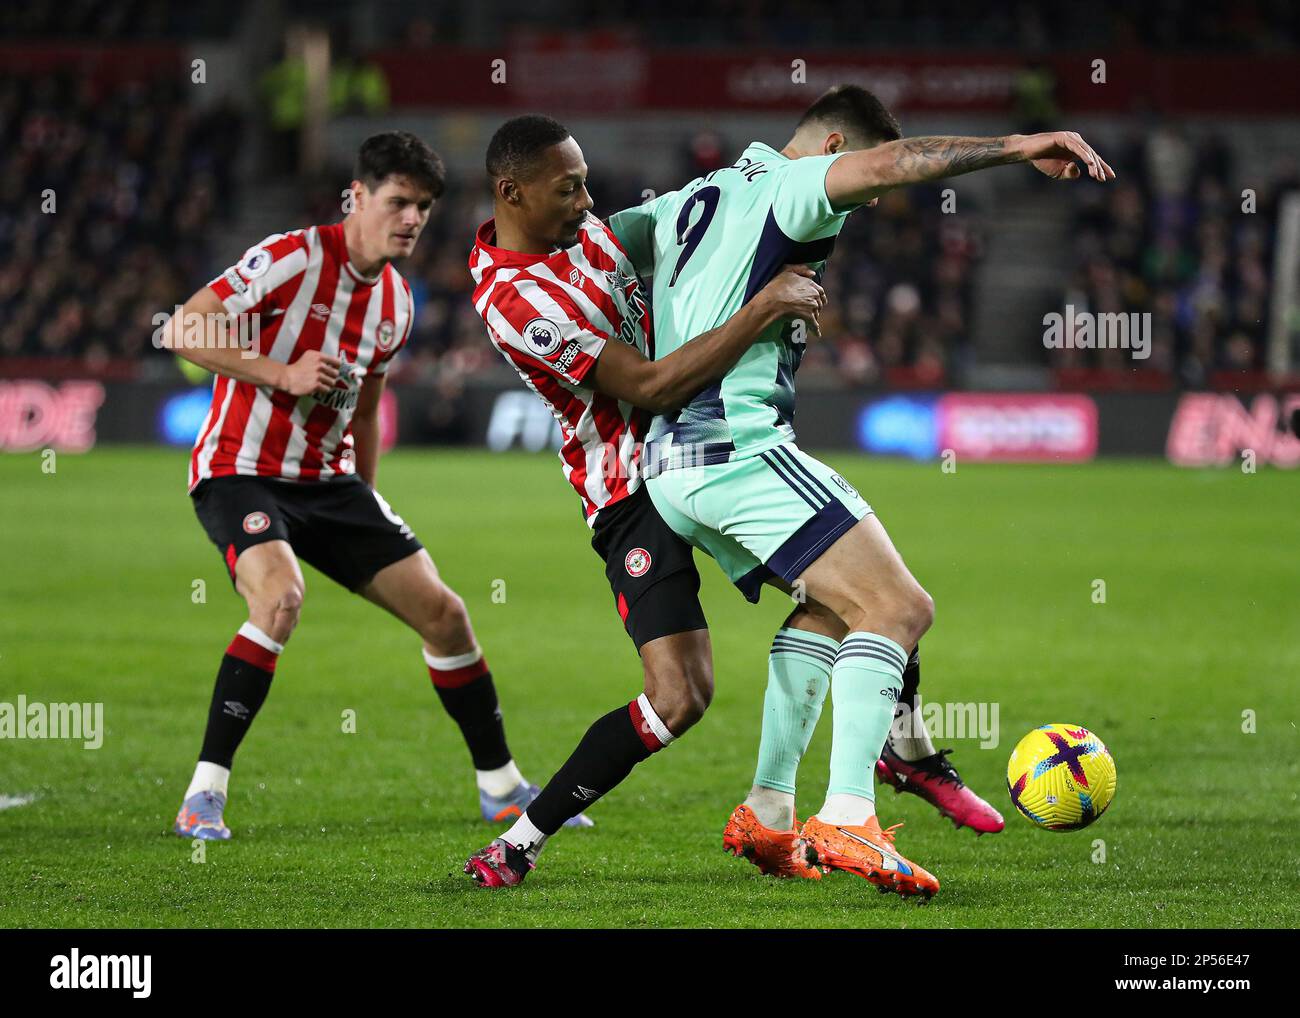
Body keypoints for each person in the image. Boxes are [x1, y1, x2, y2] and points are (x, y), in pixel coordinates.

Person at [609, 85, 1114, 897]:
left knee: (831, 607)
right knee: (901, 609)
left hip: (669, 465)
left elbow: (595, 244)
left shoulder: (686, 199)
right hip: (736, 447)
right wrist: (1021, 144)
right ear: (835, 144)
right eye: (862, 185)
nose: (867, 201)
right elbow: (889, 163)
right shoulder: (794, 183)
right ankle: (848, 814)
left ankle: (770, 811)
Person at [164, 131, 590, 839]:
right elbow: (181, 329)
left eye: (423, 207)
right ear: (356, 198)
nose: (412, 219)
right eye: (398, 202)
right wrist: (281, 373)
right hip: (241, 471)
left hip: (330, 486)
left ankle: (503, 788)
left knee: (447, 615)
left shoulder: (396, 300)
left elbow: (364, 408)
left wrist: (364, 513)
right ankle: (203, 794)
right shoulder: (288, 258)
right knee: (280, 600)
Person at [462, 115, 826, 887]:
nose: (587, 201)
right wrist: (764, 306)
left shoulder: (585, 227)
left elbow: (682, 235)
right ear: (511, 193)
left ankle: (887, 762)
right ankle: (519, 842)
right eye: (569, 189)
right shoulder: (515, 302)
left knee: (853, 576)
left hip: (705, 449)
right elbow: (652, 384)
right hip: (628, 490)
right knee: (680, 695)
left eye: (585, 181)